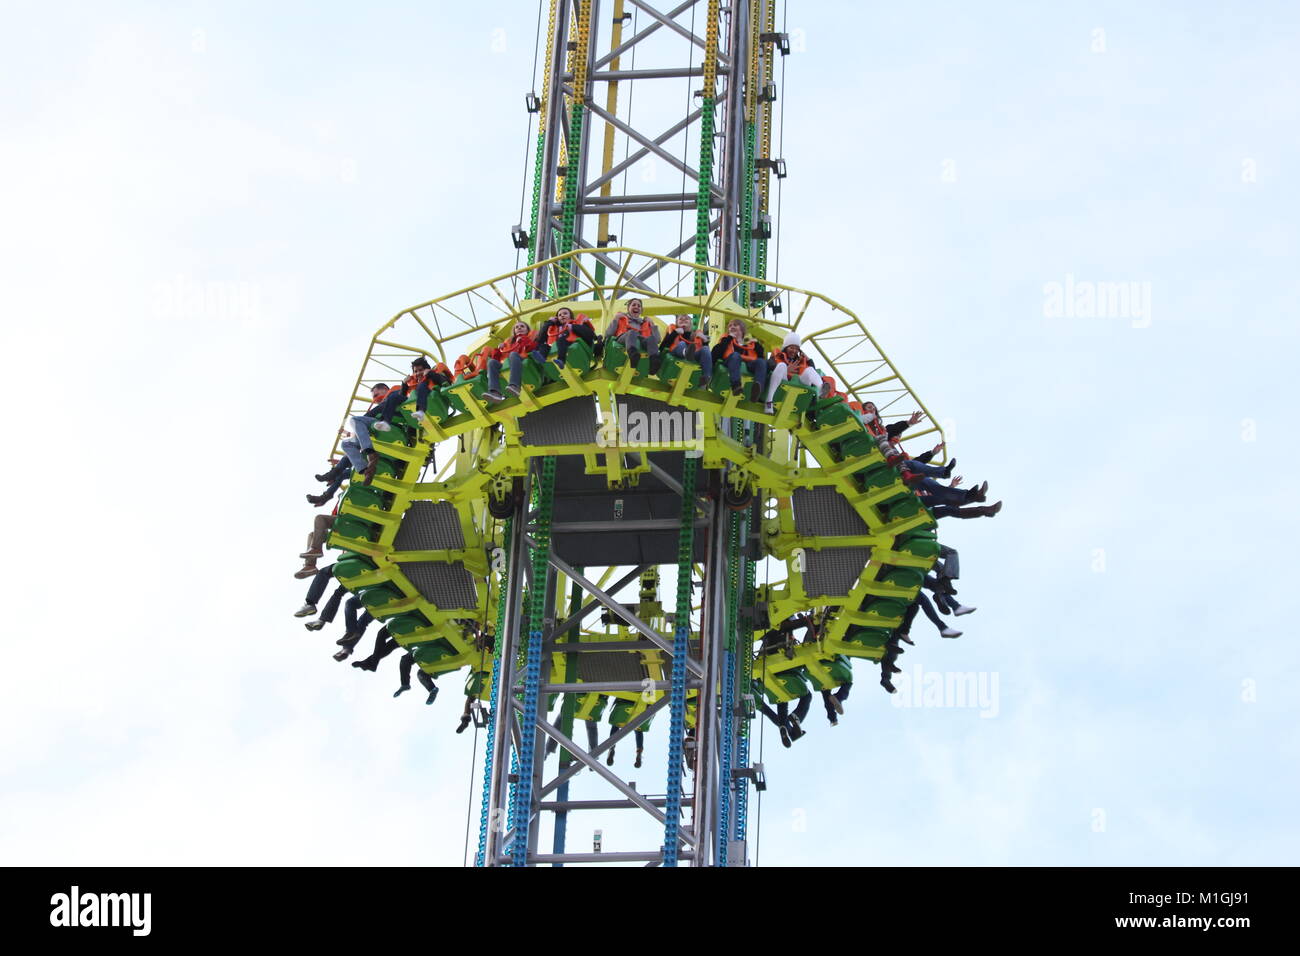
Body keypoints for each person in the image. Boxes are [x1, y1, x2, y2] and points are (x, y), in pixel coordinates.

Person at [710, 318, 767, 400]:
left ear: (742, 329)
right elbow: (715, 354)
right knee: (736, 356)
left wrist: (757, 346)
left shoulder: (749, 347)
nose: (732, 327)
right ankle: (736, 385)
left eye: (735, 325)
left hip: (748, 364)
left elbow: (761, 359)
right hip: (730, 361)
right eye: (730, 326)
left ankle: (757, 389)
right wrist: (727, 339)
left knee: (761, 362)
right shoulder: (726, 341)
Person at [482, 321, 541, 401]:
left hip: (524, 359)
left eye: (522, 326)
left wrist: (523, 340)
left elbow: (532, 347)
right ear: (514, 331)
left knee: (513, 354)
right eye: (516, 327)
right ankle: (495, 392)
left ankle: (515, 386)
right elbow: (497, 358)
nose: (519, 328)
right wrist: (499, 349)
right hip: (509, 363)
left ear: (527, 330)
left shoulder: (530, 337)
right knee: (491, 362)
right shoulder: (509, 342)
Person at [767, 332, 823, 415]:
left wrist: (808, 359)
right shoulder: (778, 356)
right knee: (782, 366)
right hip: (783, 382)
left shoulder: (800, 360)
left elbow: (813, 371)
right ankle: (769, 401)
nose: (794, 351)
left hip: (799, 386)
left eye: (796, 349)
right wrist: (787, 369)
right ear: (786, 348)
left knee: (810, 369)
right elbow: (770, 365)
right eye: (791, 348)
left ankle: (822, 390)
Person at [604, 298, 659, 372]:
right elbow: (608, 334)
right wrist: (616, 319)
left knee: (651, 339)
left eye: (639, 306)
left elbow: (657, 340)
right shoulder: (621, 318)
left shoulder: (644, 323)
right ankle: (633, 355)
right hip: (623, 339)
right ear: (628, 308)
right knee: (632, 332)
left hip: (640, 340)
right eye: (634, 305)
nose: (636, 307)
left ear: (641, 310)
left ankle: (654, 362)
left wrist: (652, 324)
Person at [660, 314, 712, 387]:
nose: (684, 320)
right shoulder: (674, 332)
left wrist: (705, 341)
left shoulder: (696, 335)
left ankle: (706, 376)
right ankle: (686, 353)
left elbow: (705, 355)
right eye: (681, 319)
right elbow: (662, 347)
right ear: (677, 323)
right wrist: (675, 333)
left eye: (686, 319)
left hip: (693, 356)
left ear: (691, 323)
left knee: (705, 349)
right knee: (682, 343)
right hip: (675, 355)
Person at [296, 512, 335, 579]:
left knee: (320, 518)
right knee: (312, 535)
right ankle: (310, 566)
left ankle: (316, 549)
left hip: (348, 520)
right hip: (339, 524)